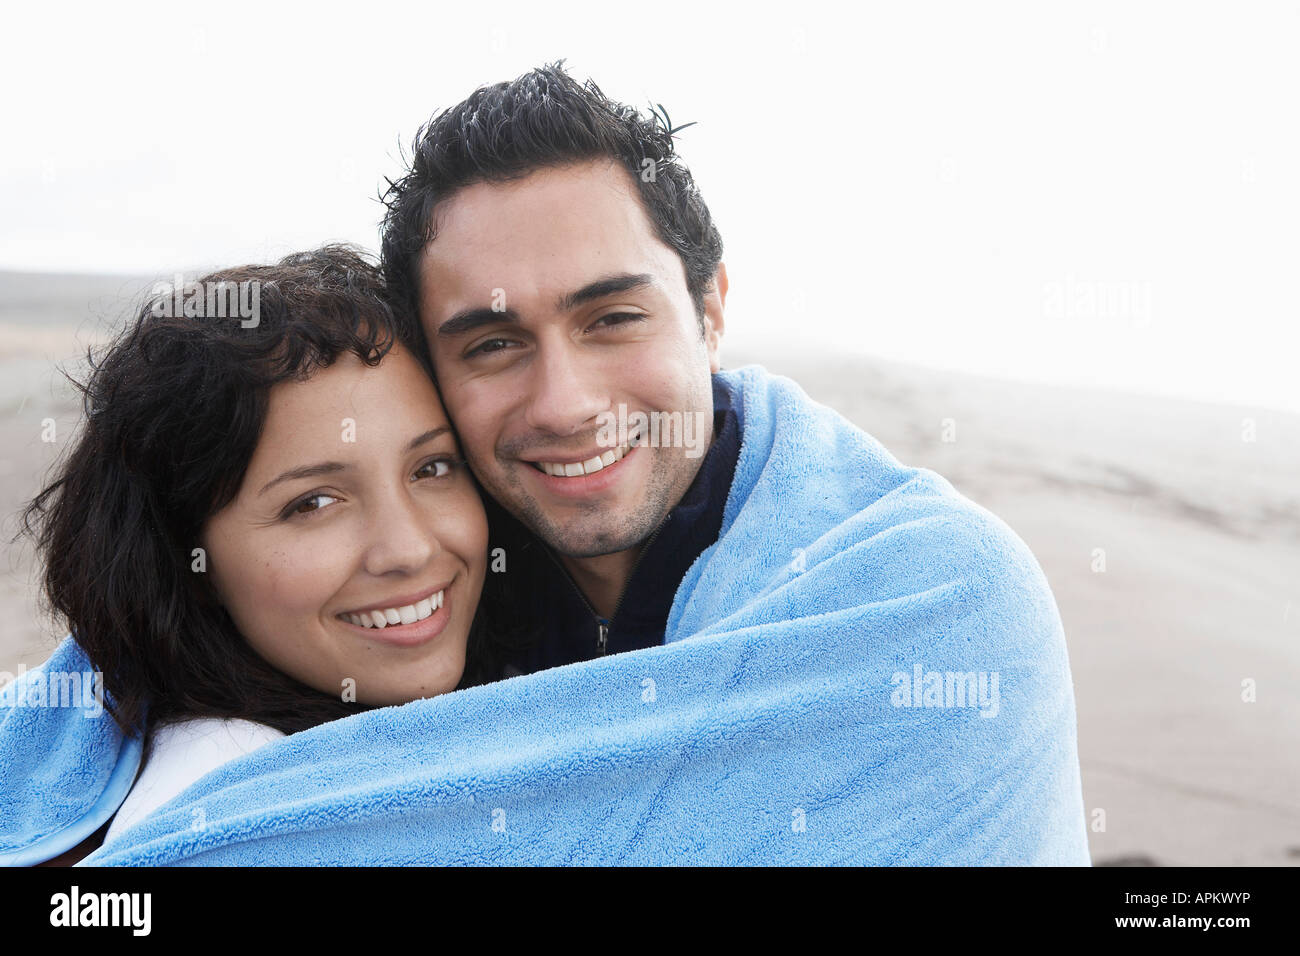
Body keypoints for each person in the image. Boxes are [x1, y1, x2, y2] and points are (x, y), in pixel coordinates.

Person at [13, 244, 516, 864]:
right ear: (188, 561)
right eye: (312, 504)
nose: (409, 549)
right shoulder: (225, 821)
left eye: (432, 467)